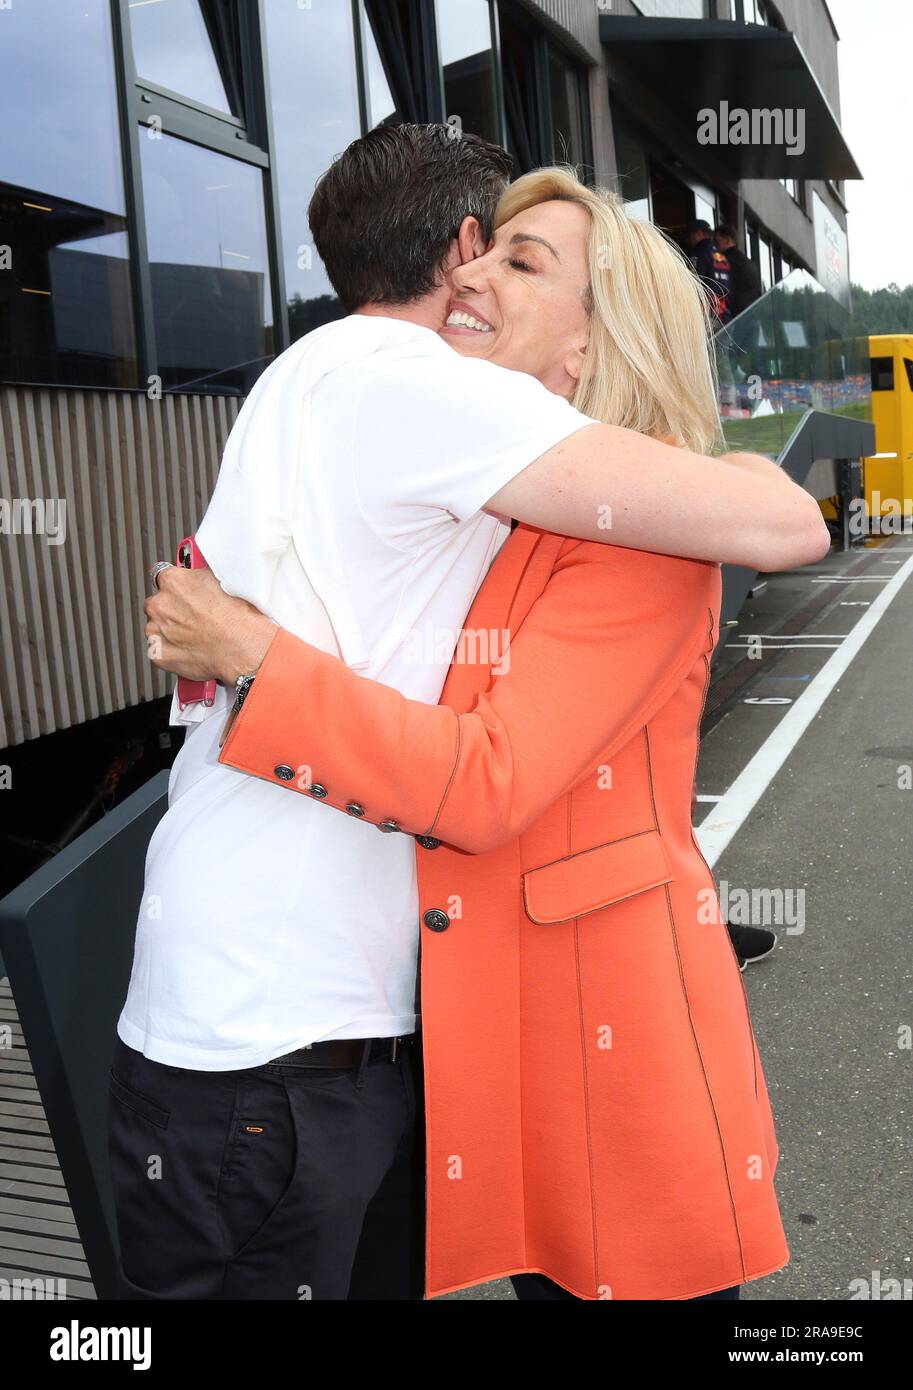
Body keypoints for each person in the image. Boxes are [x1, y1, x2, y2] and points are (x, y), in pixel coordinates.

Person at [142, 155, 825, 1300]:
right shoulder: (492, 511)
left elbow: (486, 779)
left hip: (614, 1076)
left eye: (522, 260)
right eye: (486, 245)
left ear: (591, 345)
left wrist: (255, 659)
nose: (473, 273)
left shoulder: (637, 542)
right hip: (507, 1051)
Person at [686, 219, 732, 325]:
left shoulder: (699, 254)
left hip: (705, 315)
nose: (689, 241)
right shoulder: (721, 256)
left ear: (699, 233)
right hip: (723, 316)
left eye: (690, 236)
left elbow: (693, 283)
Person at [715, 223, 764, 320]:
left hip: (737, 318)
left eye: (717, 241)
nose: (715, 246)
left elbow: (726, 289)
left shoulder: (726, 262)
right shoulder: (748, 262)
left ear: (728, 240)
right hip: (752, 316)